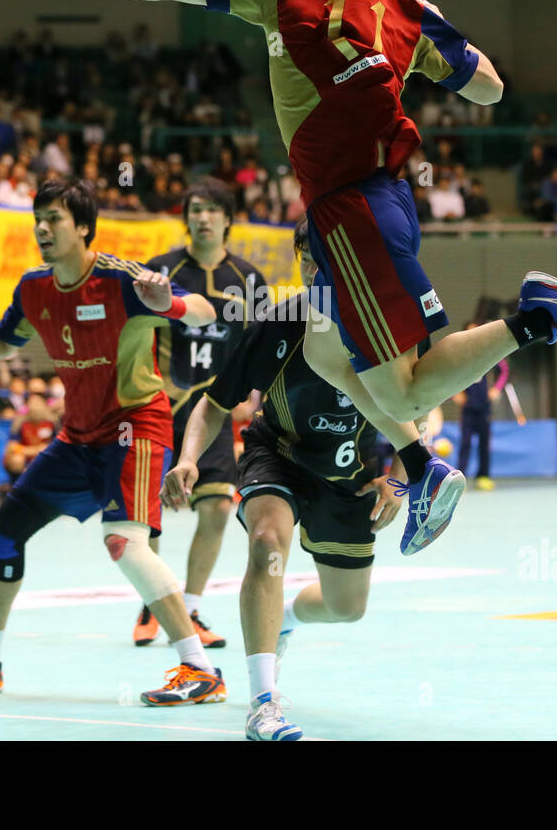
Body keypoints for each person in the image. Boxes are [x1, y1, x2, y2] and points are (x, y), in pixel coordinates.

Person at [43, 0, 557, 559]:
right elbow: (490, 88)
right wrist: (411, 45)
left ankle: (536, 316)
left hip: (347, 209)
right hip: (391, 196)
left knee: (404, 393)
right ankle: (422, 468)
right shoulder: (406, 6)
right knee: (333, 353)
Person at [0, 178, 228, 706]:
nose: (42, 227)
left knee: (124, 543)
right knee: (3, 530)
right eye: (38, 218)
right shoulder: (34, 287)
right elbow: (0, 341)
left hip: (136, 424)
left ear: (83, 228)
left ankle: (200, 669)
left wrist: (168, 305)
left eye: (55, 218)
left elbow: (203, 310)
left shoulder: (119, 279)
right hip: (78, 436)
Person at [162, 219, 410, 740]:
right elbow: (214, 403)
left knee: (347, 608)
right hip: (278, 455)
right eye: (307, 260)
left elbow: (421, 404)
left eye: (326, 260)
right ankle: (264, 702)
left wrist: (400, 480)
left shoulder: (385, 323)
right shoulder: (282, 323)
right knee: (266, 541)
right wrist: (187, 459)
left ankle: (288, 618)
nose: (315, 271)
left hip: (351, 475)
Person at [138, 178, 266, 648]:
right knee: (146, 514)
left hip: (215, 409)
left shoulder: (250, 280)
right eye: (195, 209)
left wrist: (255, 397)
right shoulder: (161, 270)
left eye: (213, 209)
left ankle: (188, 608)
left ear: (228, 219)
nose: (203, 217)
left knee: (214, 507)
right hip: (159, 405)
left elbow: (262, 346)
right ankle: (153, 606)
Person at [453, 322, 507, 490]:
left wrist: (496, 389)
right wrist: (455, 393)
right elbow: (450, 373)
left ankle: (483, 476)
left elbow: (504, 370)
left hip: (484, 406)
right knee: (466, 442)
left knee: (485, 443)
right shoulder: (460, 355)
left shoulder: (488, 352)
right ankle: (460, 478)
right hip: (468, 407)